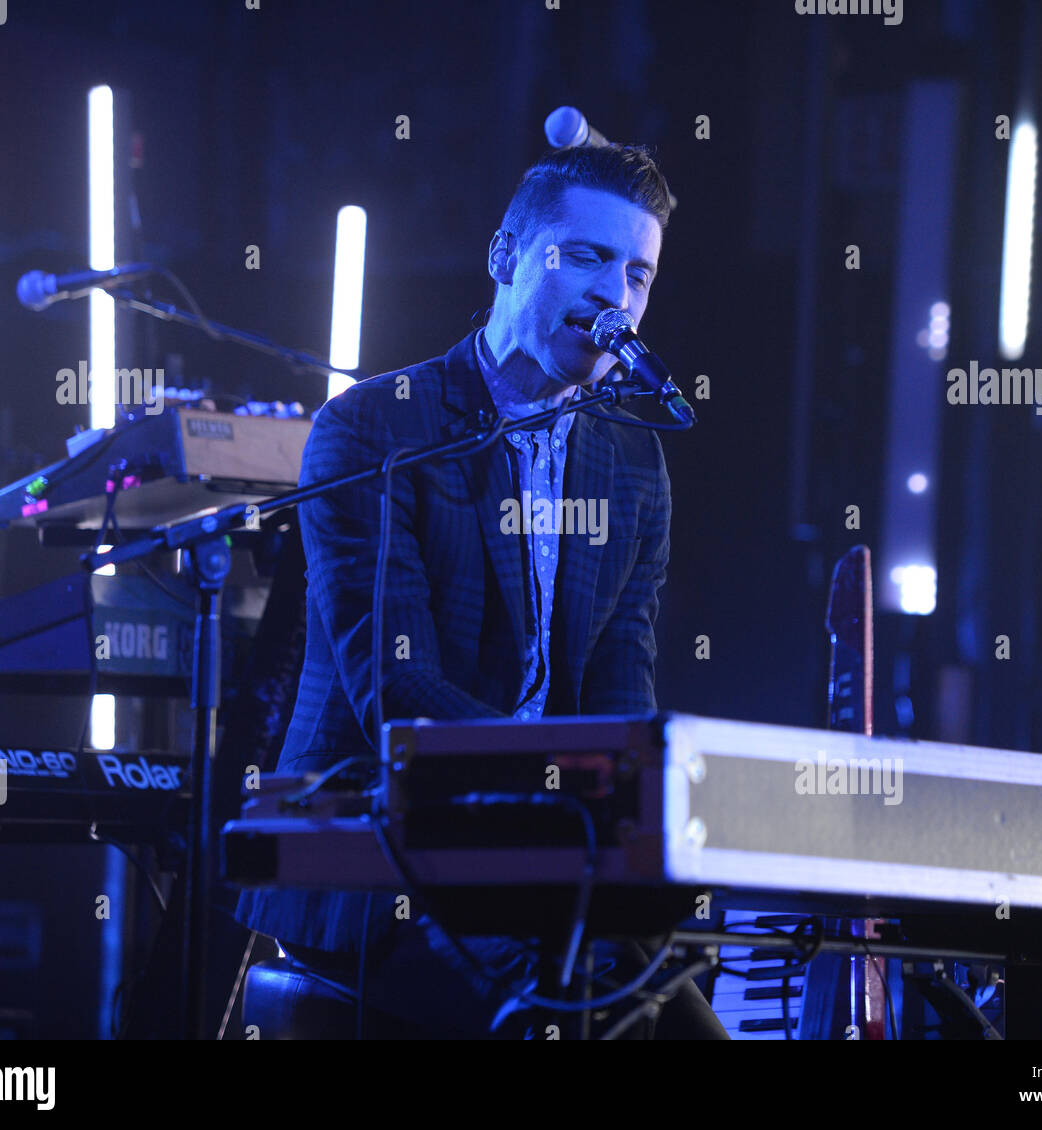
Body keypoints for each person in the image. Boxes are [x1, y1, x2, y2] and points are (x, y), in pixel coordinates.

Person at [235, 143, 727, 1039]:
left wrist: (637, 828)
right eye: (584, 256)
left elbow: (623, 686)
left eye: (638, 273)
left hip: (546, 863)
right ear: (506, 257)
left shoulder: (632, 461)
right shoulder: (375, 429)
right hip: (382, 859)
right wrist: (565, 795)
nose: (615, 295)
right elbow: (397, 690)